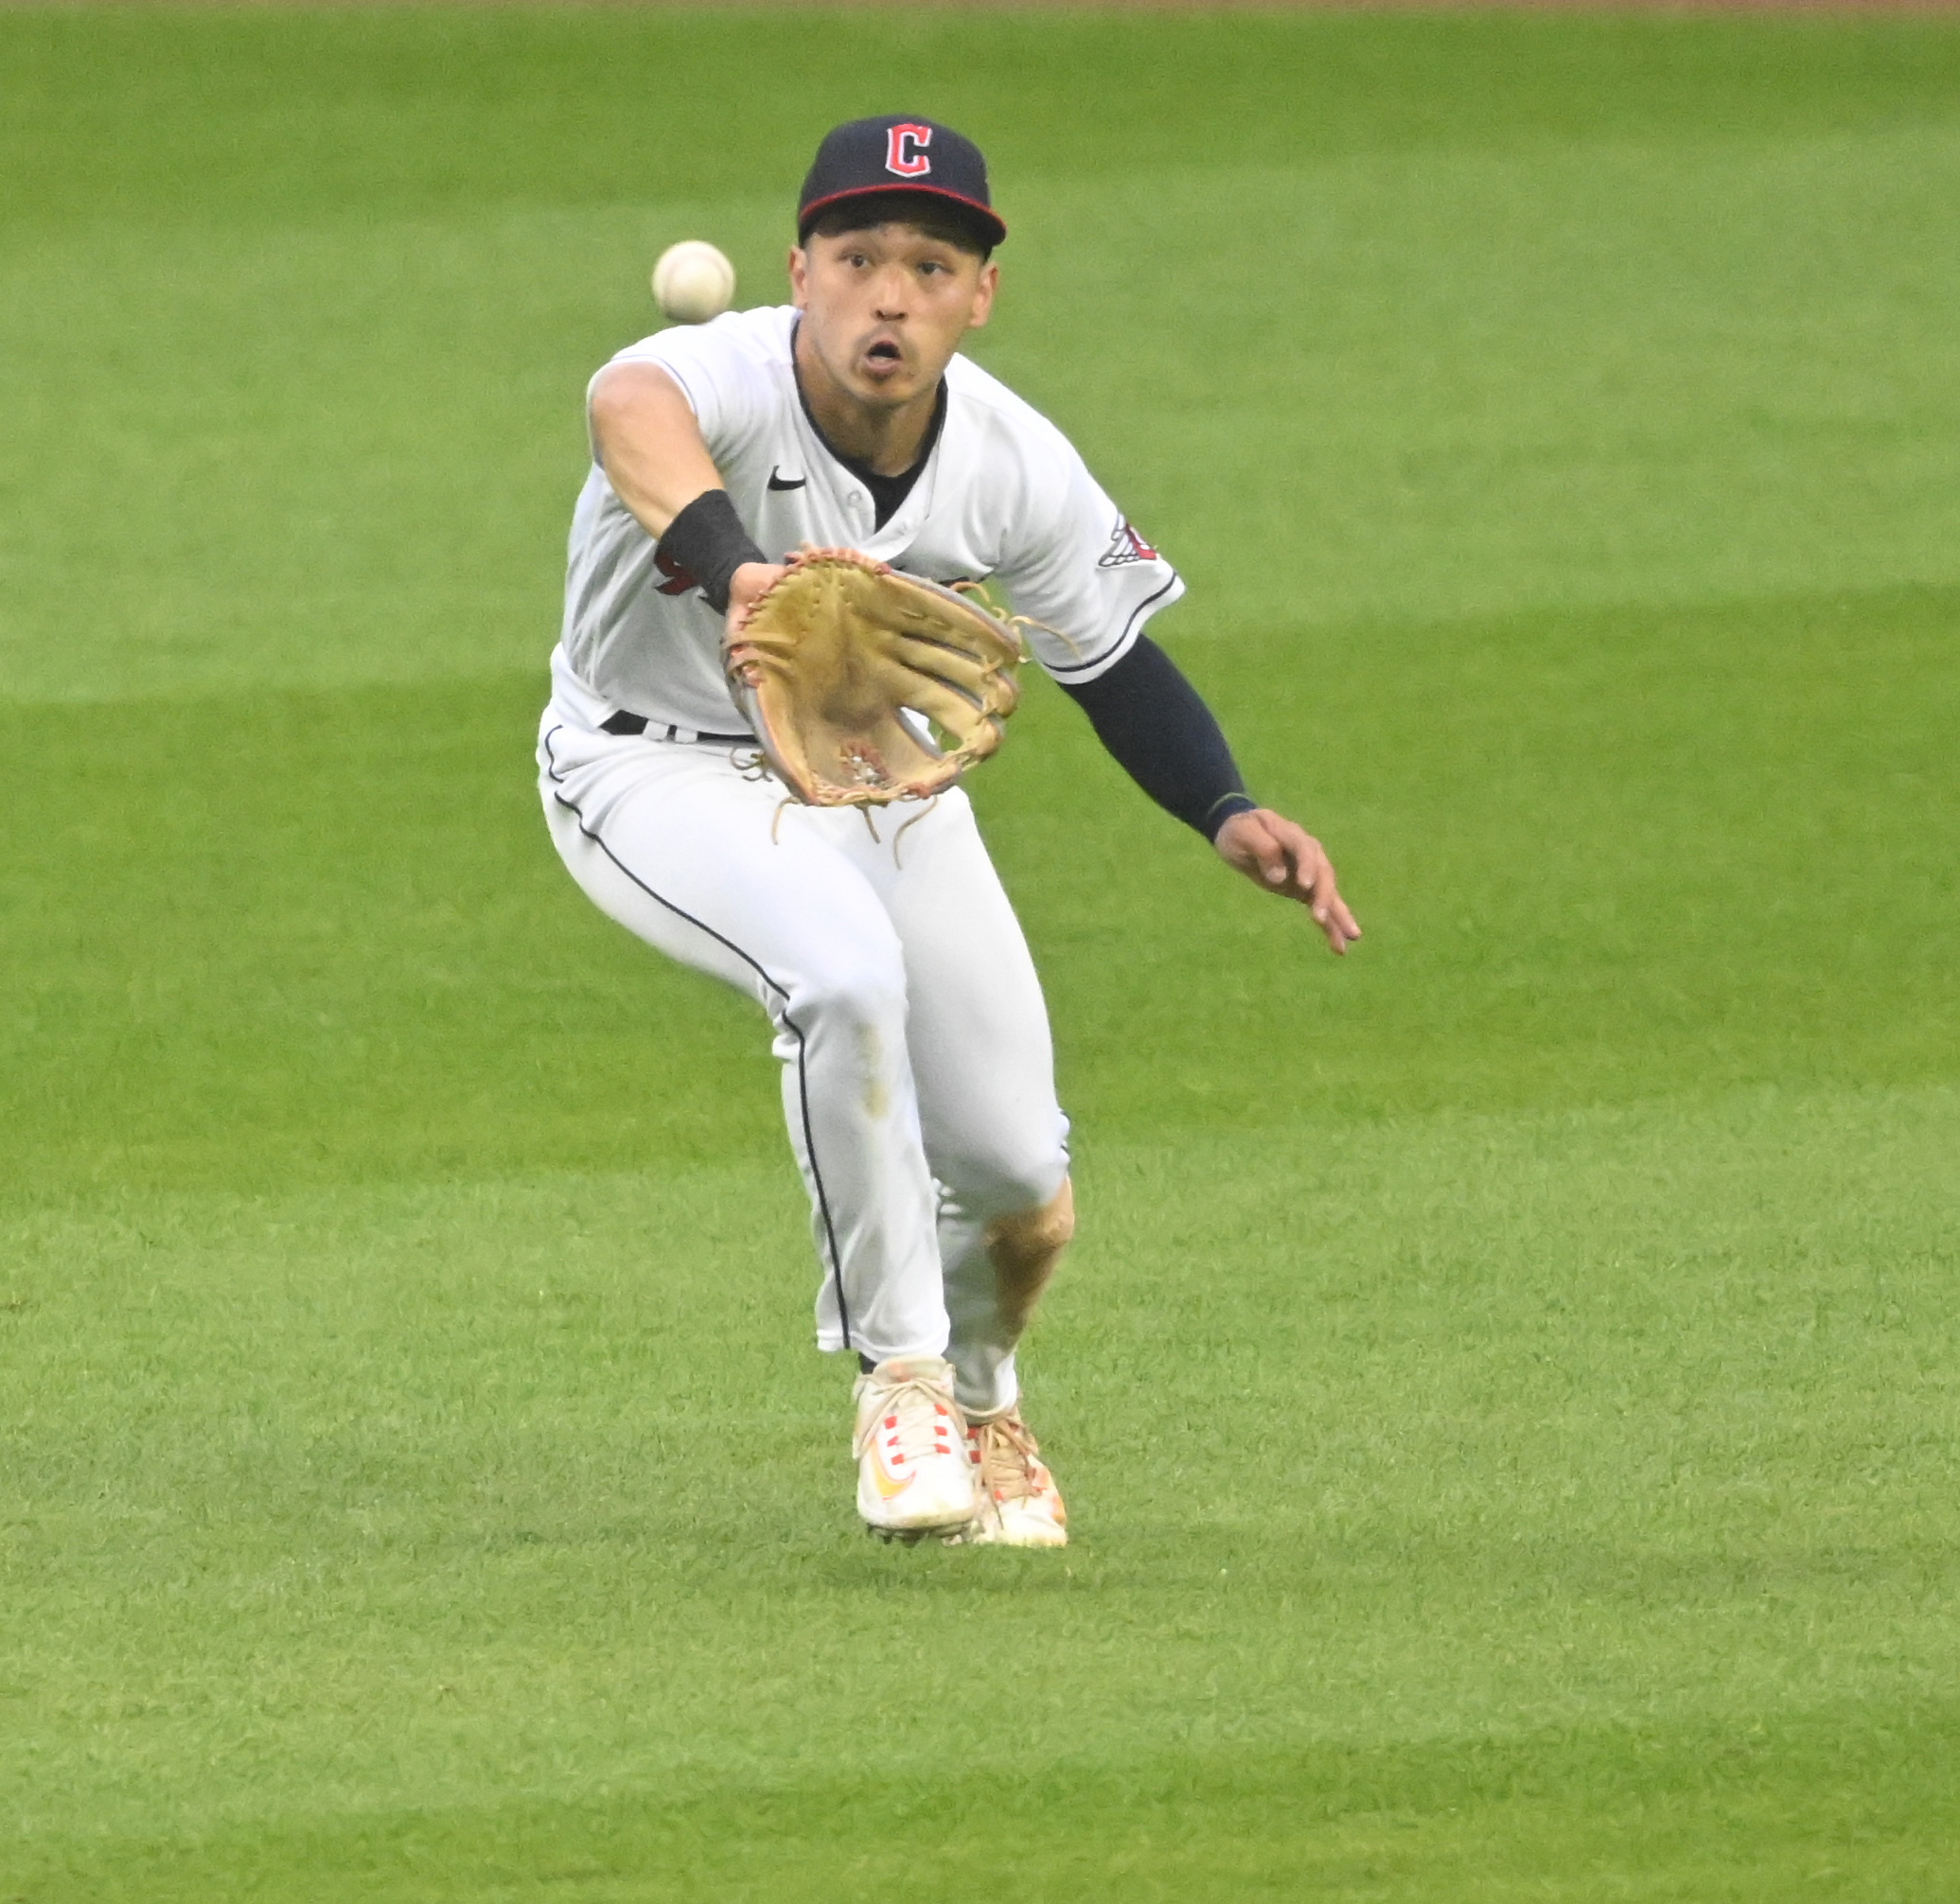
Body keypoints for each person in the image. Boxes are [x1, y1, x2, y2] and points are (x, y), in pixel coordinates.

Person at [537, 115, 1357, 1546]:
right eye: (857, 257)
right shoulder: (719, 373)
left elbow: (1112, 661)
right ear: (798, 271)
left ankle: (981, 1398)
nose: (890, 296)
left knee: (1020, 1181)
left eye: (930, 266)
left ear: (980, 295)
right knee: (841, 978)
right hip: (650, 770)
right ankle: (899, 1381)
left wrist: (1223, 808)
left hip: (873, 771)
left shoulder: (1009, 458)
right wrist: (735, 573)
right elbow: (626, 405)